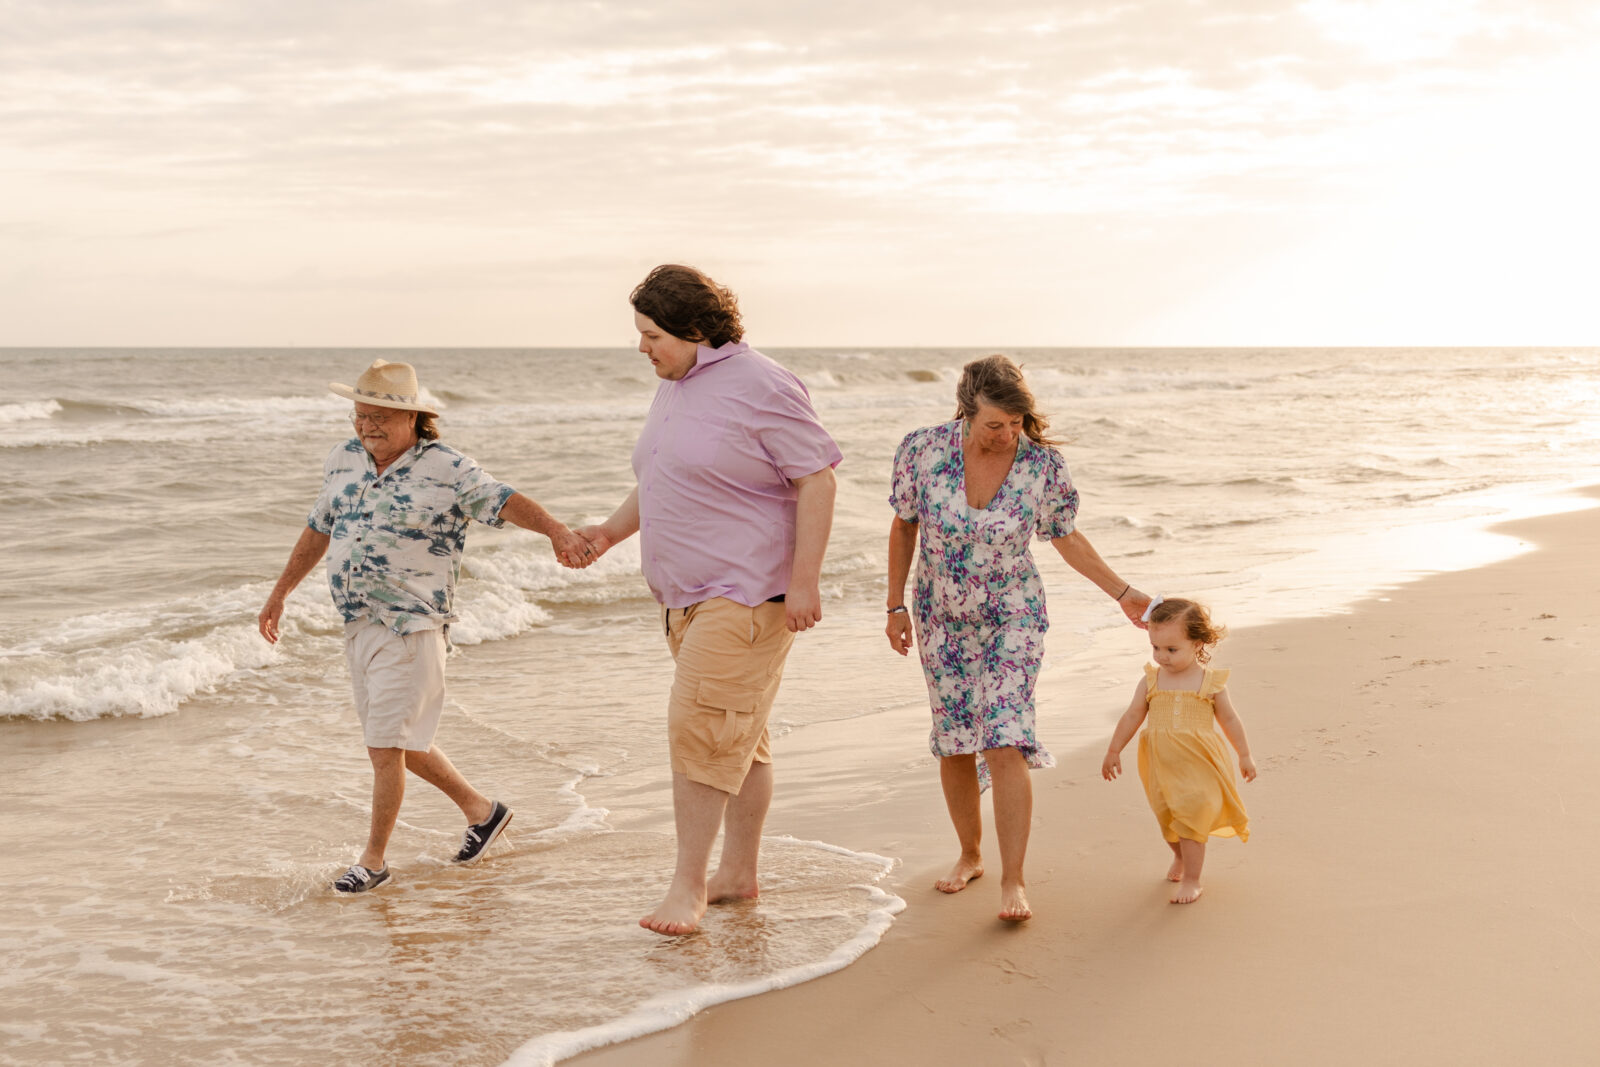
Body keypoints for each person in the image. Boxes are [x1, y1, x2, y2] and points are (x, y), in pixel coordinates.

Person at [257, 358, 594, 894]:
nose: (366, 426)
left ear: (412, 417)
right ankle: (483, 812)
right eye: (360, 414)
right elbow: (319, 527)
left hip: (411, 625)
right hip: (358, 622)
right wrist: (280, 593)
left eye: (379, 416)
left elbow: (504, 500)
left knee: (384, 748)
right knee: (402, 743)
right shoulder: (343, 460)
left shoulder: (447, 467)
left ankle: (373, 861)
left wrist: (557, 531)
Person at [577, 264, 841, 935]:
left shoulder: (762, 384)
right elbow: (663, 475)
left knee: (698, 731)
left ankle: (687, 888)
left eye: (652, 335)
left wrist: (804, 581)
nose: (642, 347)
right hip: (684, 600)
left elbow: (817, 479)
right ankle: (737, 874)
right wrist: (609, 532)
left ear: (695, 329)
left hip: (745, 593)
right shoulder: (676, 382)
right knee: (738, 738)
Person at [886, 354, 1150, 922]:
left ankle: (1014, 880)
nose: (1007, 435)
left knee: (1005, 735)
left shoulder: (1042, 466)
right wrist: (895, 605)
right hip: (940, 618)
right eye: (994, 425)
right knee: (956, 739)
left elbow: (1065, 536)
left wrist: (1123, 592)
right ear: (966, 411)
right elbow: (904, 526)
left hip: (1014, 616)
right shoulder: (922, 450)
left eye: (1015, 423)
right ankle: (970, 854)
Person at [1101, 596, 1256, 904]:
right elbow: (1132, 715)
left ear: (1197, 644)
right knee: (1167, 817)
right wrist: (1114, 750)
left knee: (1191, 816)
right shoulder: (1151, 680)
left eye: (1171, 649)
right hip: (1161, 765)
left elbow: (1229, 719)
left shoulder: (1210, 682)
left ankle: (1192, 880)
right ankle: (1181, 856)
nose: (1162, 656)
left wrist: (1244, 754)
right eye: (1155, 647)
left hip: (1200, 764)